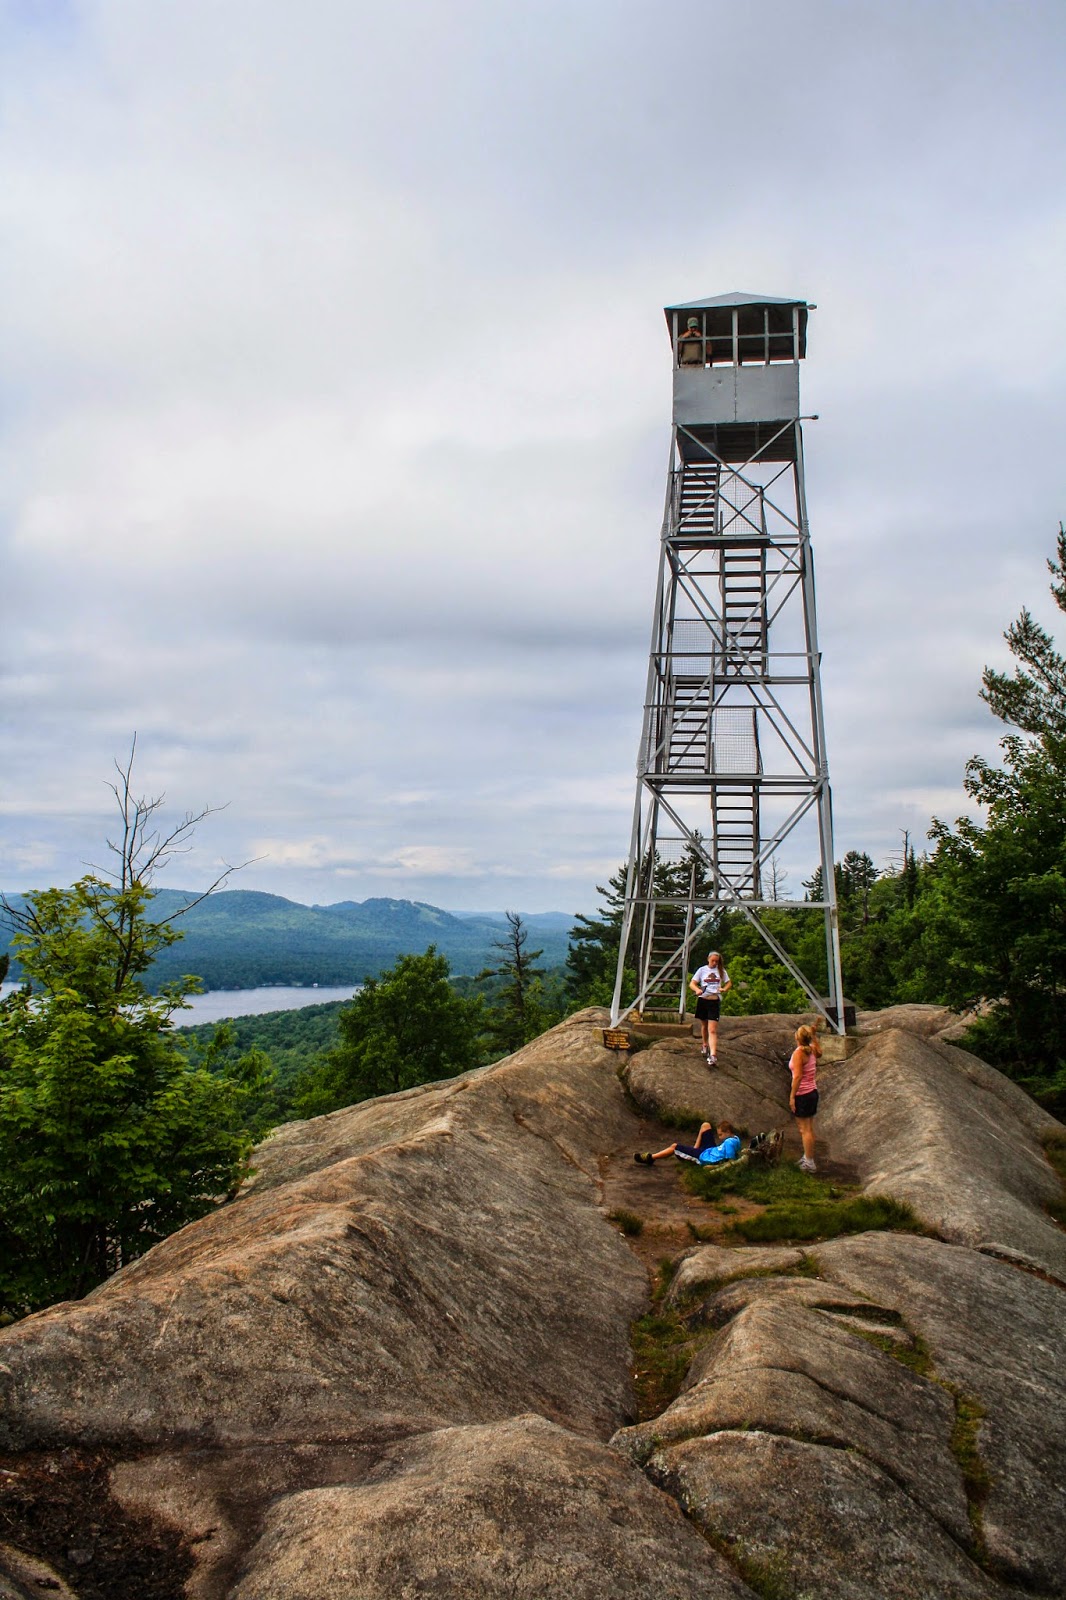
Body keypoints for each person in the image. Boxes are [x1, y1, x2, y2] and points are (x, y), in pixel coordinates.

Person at [635, 1121, 741, 1167]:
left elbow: (730, 1161)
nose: (719, 1137)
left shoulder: (729, 1143)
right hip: (711, 1150)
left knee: (674, 1146)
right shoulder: (736, 1139)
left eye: (720, 1135)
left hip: (704, 1157)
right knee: (706, 1125)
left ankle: (651, 1157)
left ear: (727, 1132)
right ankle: (694, 1149)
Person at [789, 1022, 821, 1173]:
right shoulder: (812, 1049)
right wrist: (814, 1036)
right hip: (812, 1092)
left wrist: (792, 1096)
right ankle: (808, 1157)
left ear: (798, 1037)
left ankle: (809, 1162)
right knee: (809, 1128)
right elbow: (819, 1052)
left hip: (803, 1093)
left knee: (804, 1129)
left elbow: (797, 1077)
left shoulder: (798, 1054)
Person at [689, 950, 731, 1065]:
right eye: (712, 961)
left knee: (712, 1029)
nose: (714, 963)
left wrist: (724, 989)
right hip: (703, 1000)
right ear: (708, 959)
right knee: (704, 1025)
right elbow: (692, 983)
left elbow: (728, 983)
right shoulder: (702, 970)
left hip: (714, 1001)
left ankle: (713, 1055)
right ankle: (704, 1044)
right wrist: (697, 989)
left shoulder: (721, 971)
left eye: (716, 961)